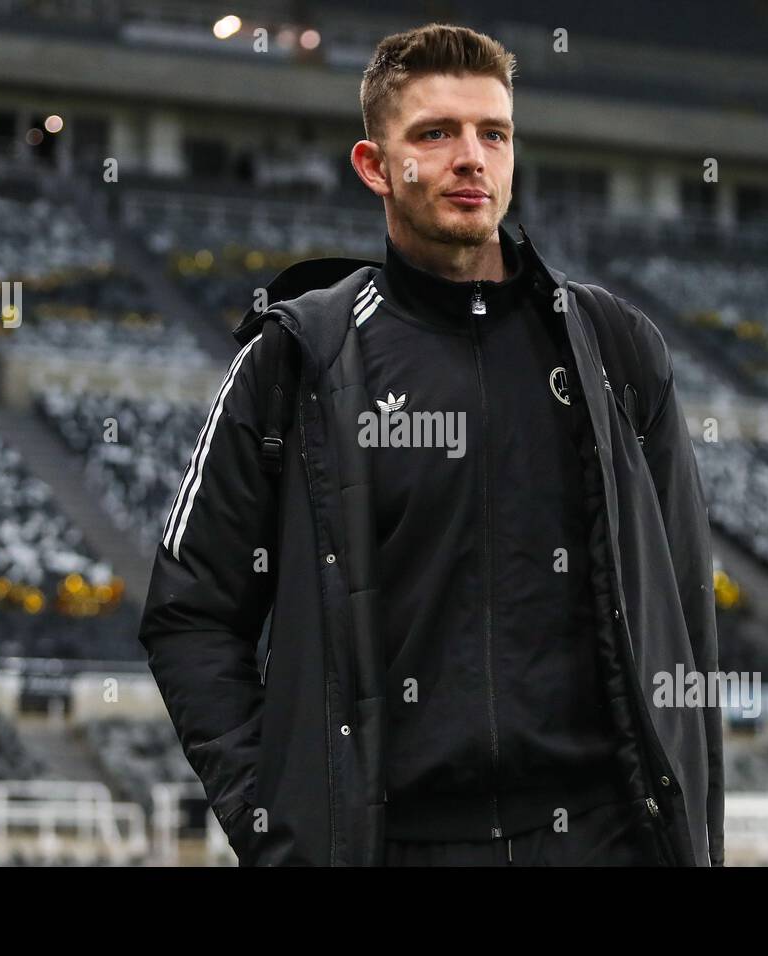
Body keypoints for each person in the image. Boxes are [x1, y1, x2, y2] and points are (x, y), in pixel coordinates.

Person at [139, 23, 723, 867]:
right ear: (376, 166)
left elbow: (686, 620)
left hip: (606, 841)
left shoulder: (615, 348)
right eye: (436, 134)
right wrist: (280, 831)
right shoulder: (296, 360)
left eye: (494, 134)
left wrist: (695, 842)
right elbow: (190, 613)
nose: (471, 158)